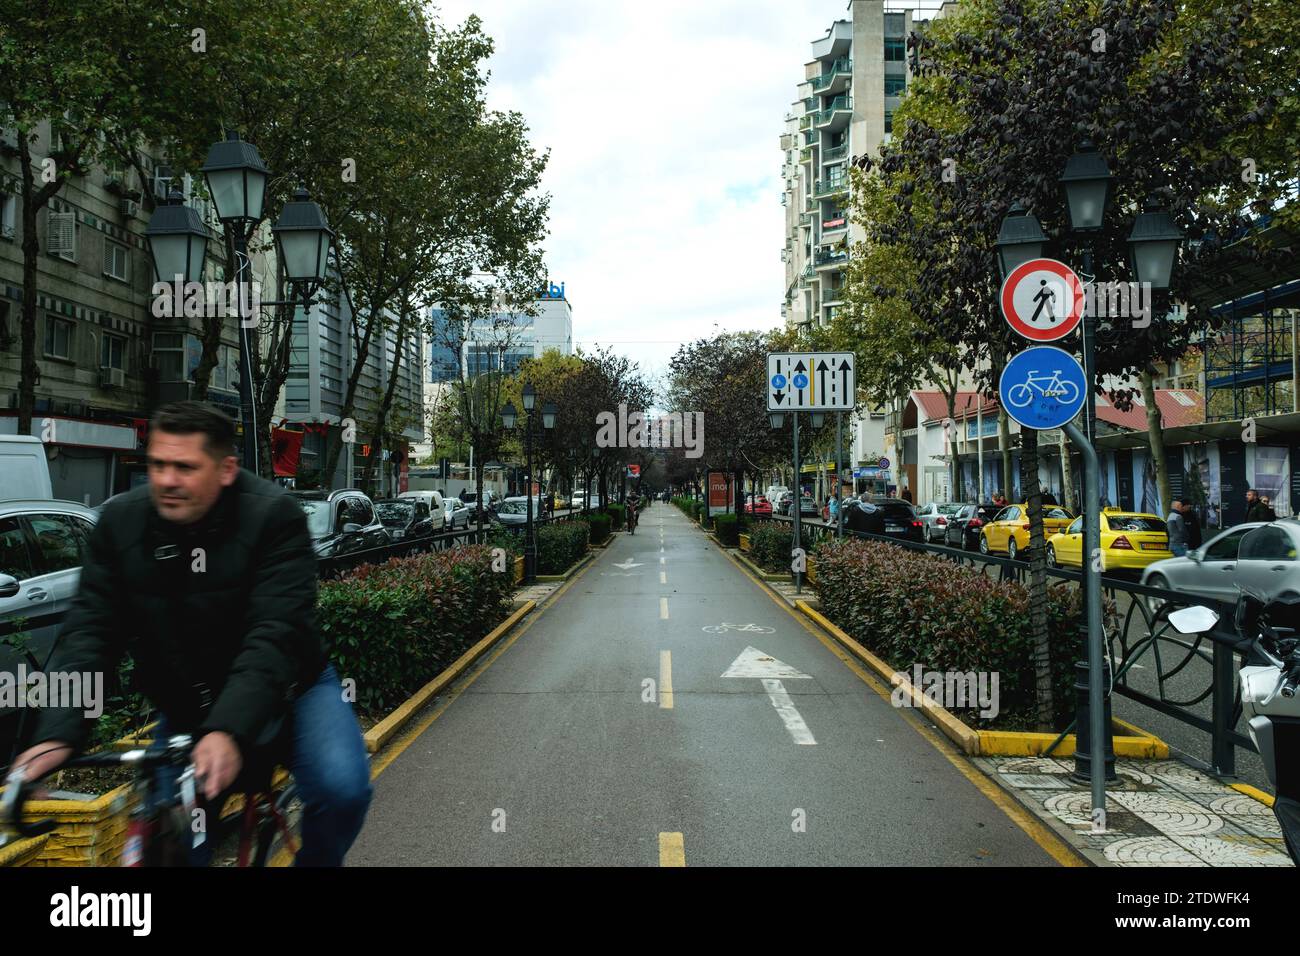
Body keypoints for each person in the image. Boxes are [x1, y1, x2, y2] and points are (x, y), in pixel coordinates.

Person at [12, 402, 372, 866]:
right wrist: (55, 736)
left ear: (226, 470)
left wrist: (226, 729)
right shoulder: (121, 524)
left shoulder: (274, 516)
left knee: (342, 789)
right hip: (189, 703)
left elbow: (275, 634)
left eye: (185, 467)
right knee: (170, 841)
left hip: (293, 690)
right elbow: (89, 633)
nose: (167, 480)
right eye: (158, 465)